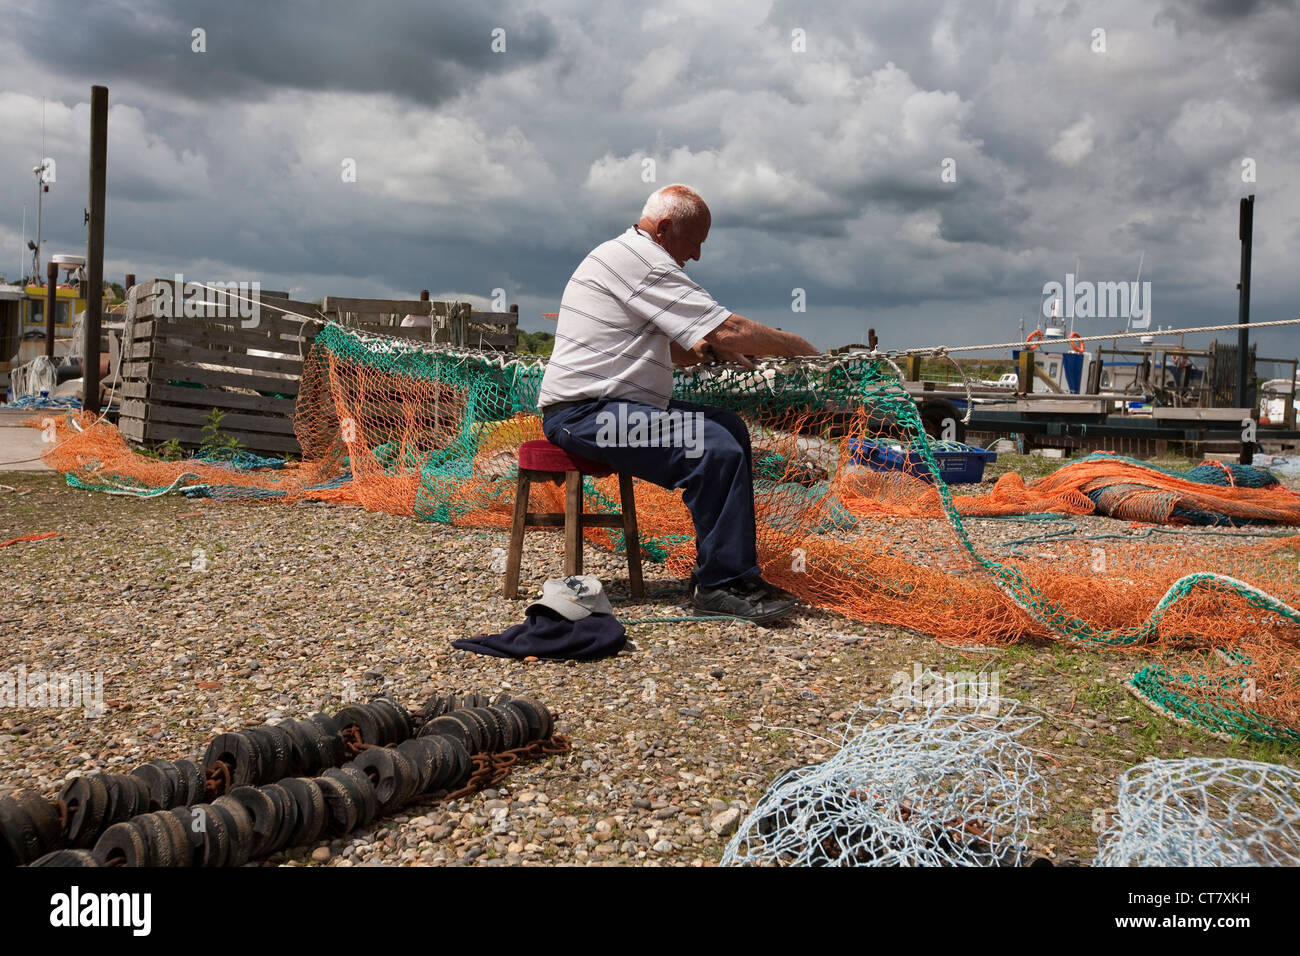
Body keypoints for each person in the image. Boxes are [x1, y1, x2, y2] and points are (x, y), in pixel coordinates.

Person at [537, 184, 819, 623]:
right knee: (712, 447)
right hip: (584, 415)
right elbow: (728, 328)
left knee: (728, 427)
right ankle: (721, 584)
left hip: (613, 409)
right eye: (695, 242)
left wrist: (714, 350)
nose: (698, 256)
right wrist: (803, 350)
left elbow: (682, 347)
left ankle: (725, 569)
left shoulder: (629, 257)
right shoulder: (639, 260)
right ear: (665, 228)